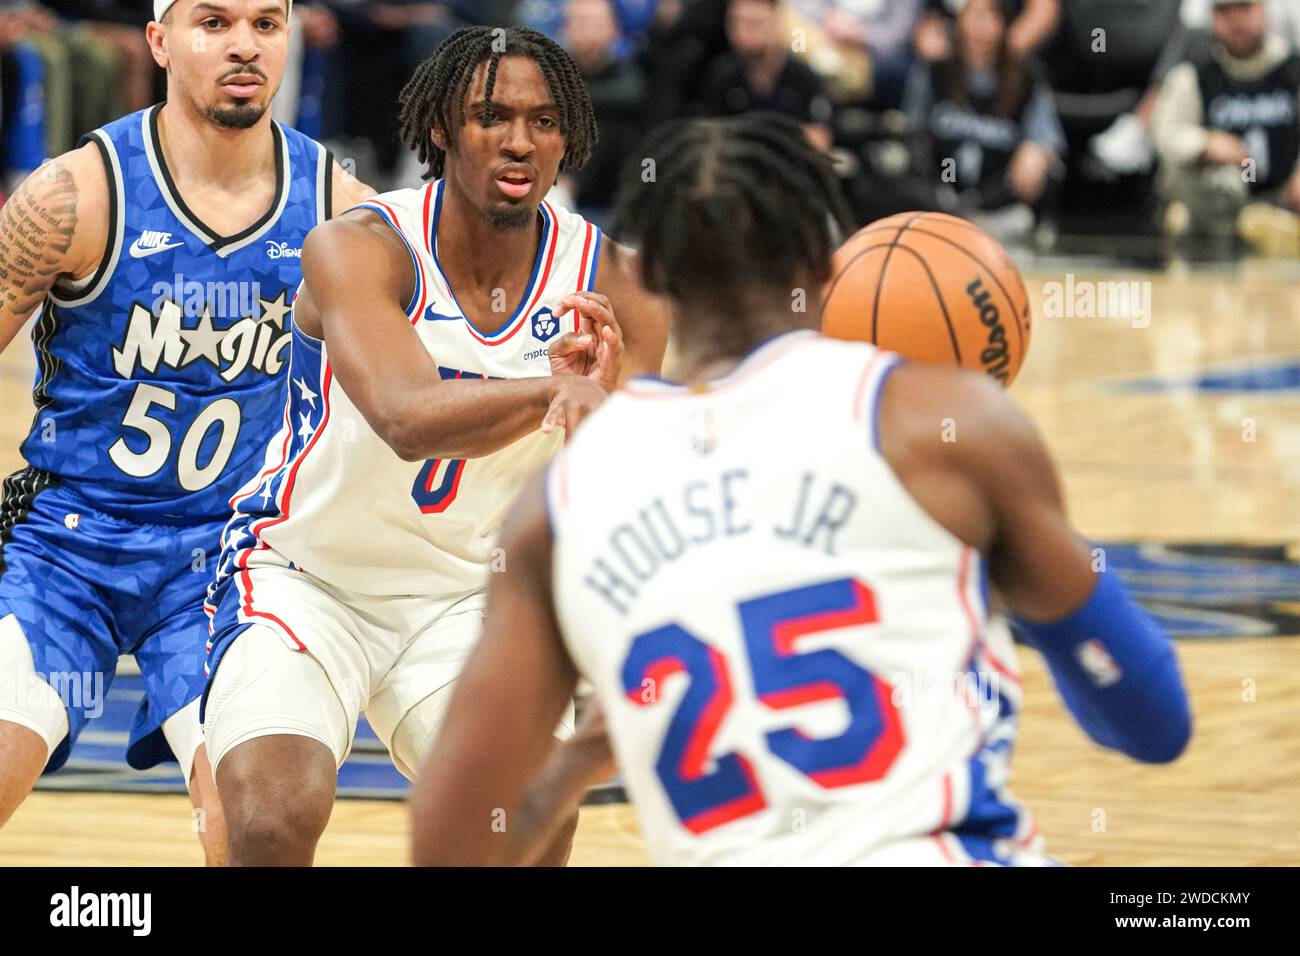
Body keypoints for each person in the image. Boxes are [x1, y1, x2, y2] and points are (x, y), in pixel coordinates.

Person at [408, 114, 1192, 867]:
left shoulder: (564, 499)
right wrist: (1032, 593)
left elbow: (450, 849)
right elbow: (1156, 725)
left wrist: (583, 755)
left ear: (648, 277)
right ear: (825, 264)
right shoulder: (946, 425)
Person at [201, 25, 668, 866]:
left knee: (526, 816)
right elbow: (406, 418)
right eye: (492, 116)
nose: (521, 141)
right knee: (273, 817)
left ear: (571, 137)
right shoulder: (358, 247)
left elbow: (617, 488)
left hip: (470, 597)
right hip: (308, 581)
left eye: (545, 120)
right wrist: (552, 391)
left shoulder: (622, 287)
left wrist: (606, 418)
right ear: (444, 128)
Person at [0, 0, 370, 865]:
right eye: (212, 22)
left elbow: (393, 403)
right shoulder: (72, 193)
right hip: (67, 546)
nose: (243, 45)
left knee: (254, 829)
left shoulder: (339, 208)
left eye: (264, 25)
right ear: (161, 41)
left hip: (230, 560)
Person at [903, 0, 1065, 235]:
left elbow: (1048, 139)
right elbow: (910, 129)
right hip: (939, 194)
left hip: (996, 199)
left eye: (992, 17)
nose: (982, 28)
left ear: (1005, 25)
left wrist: (1037, 148)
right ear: (960, 20)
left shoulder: (1027, 76)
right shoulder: (935, 70)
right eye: (975, 16)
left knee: (1039, 168)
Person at [1152, 0, 1300, 253]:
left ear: (1264, 13)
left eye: (1244, 9)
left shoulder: (1293, 68)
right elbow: (1163, 133)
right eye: (1223, 12)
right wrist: (1204, 143)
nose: (1235, 21)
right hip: (1221, 195)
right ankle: (1199, 222)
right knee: (1220, 181)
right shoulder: (1193, 73)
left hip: (1283, 197)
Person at [698, 0, 833, 151]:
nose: (743, 32)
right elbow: (710, 135)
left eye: (754, 23)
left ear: (776, 24)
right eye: (736, 22)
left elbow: (818, 138)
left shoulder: (803, 76)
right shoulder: (721, 74)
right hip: (735, 164)